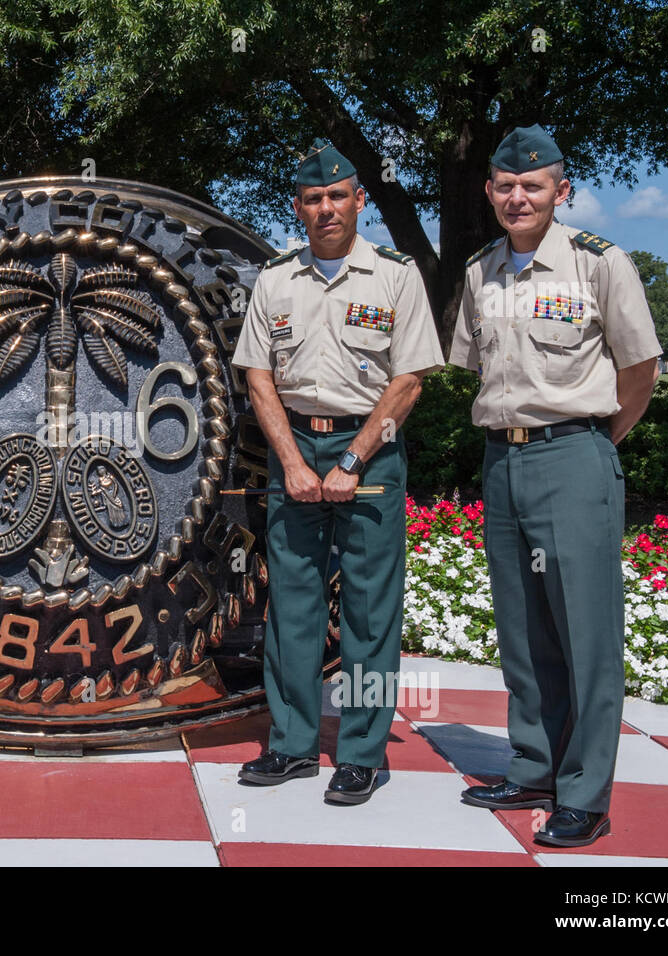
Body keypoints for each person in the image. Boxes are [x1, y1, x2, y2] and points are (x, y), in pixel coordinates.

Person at [449, 125, 661, 846]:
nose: (518, 197)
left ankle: (585, 794)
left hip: (574, 454)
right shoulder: (481, 272)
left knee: (585, 633)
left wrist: (596, 445)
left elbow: (639, 372)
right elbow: (473, 365)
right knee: (523, 628)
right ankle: (535, 763)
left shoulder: (600, 265)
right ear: (490, 192)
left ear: (560, 191)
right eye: (505, 185)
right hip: (502, 462)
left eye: (533, 186)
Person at [231, 140, 444, 804]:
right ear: (299, 208)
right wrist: (292, 462)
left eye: (337, 196)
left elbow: (408, 382)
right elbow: (259, 378)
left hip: (369, 449)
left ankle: (361, 753)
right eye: (313, 199)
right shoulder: (275, 280)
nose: (326, 208)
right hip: (295, 446)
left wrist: (354, 460)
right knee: (290, 606)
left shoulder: (394, 275)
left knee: (369, 611)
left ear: (359, 201)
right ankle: (291, 744)